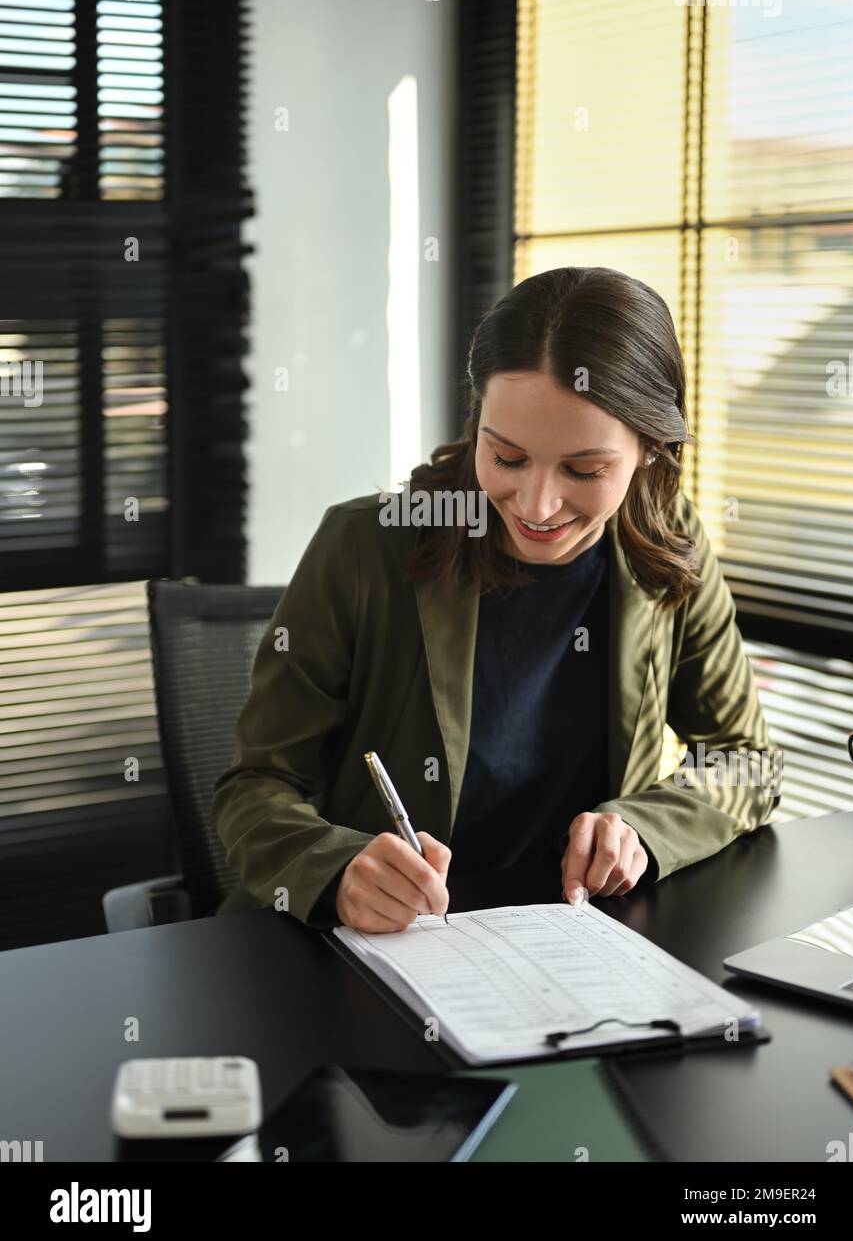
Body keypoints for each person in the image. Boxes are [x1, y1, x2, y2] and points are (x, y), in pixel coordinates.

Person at [211, 265, 782, 932]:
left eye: (585, 470)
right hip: (365, 951)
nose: (537, 505)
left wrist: (643, 829)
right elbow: (255, 787)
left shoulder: (667, 546)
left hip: (573, 945)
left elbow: (745, 761)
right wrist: (336, 868)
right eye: (507, 458)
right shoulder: (365, 546)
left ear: (651, 451)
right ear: (479, 415)